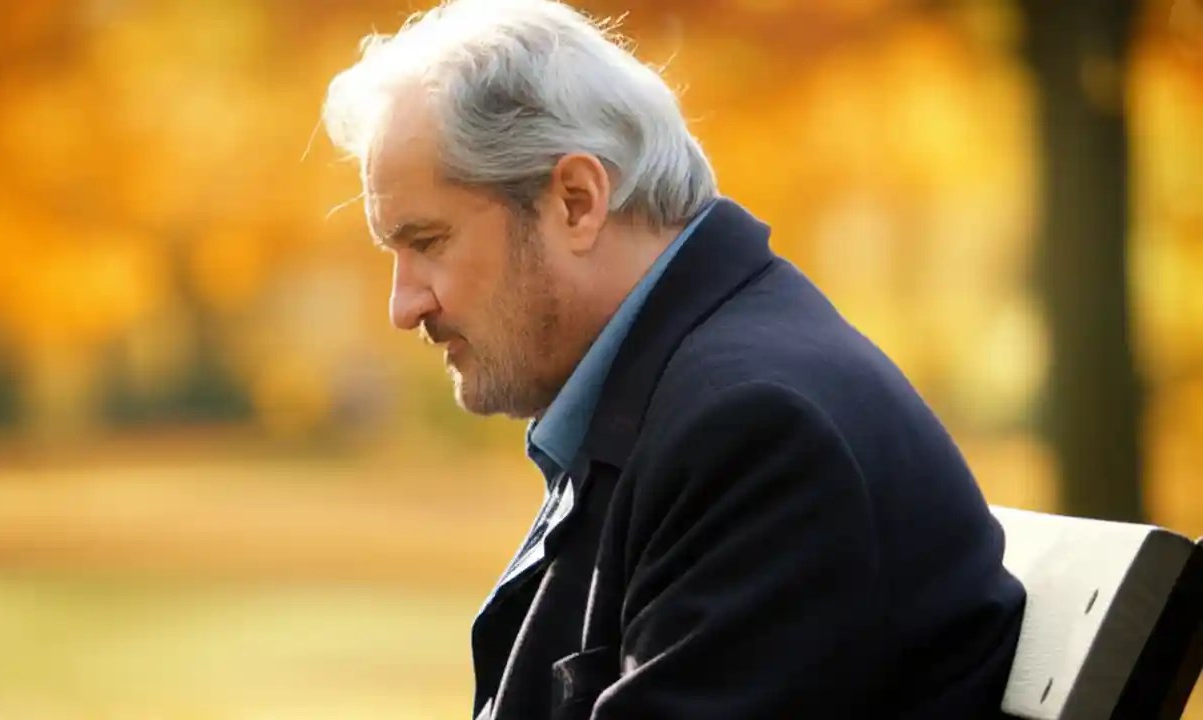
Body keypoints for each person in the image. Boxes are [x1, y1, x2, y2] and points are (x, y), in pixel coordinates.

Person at [321, 1, 1025, 717]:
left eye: (429, 242)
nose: (403, 305)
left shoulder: (755, 433)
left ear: (575, 202)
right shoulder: (685, 396)